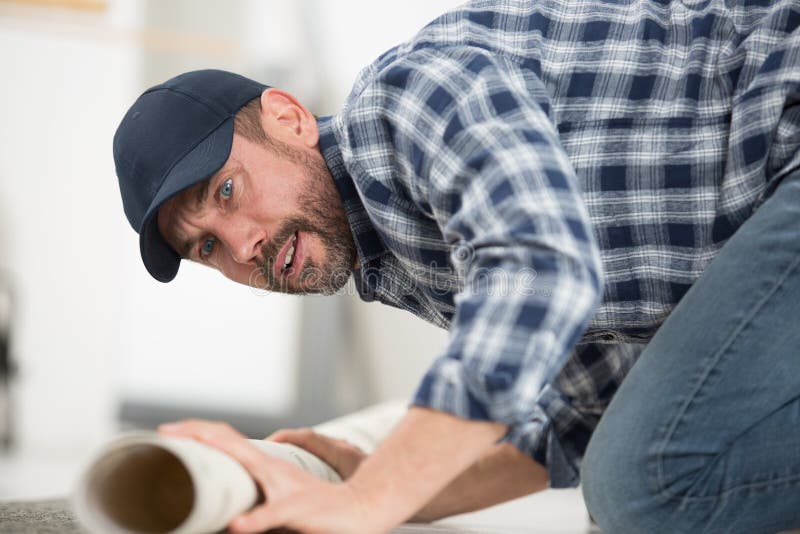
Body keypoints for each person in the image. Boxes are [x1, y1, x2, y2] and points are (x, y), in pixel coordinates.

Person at [112, 0, 800, 531]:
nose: (240, 247)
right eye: (204, 247)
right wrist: (384, 483)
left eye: (226, 192)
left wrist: (374, 500)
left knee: (647, 481)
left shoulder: (410, 97)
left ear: (289, 118)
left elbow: (539, 272)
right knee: (628, 483)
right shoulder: (406, 262)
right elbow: (579, 422)